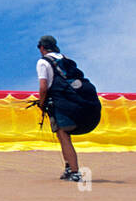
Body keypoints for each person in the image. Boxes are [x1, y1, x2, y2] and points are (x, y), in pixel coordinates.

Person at [31, 35, 102, 182]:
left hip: (62, 104)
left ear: (42, 48)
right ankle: (69, 168)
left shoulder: (43, 62)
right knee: (63, 135)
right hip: (77, 103)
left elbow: (43, 87)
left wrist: (42, 104)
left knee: (63, 135)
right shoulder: (65, 58)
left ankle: (74, 171)